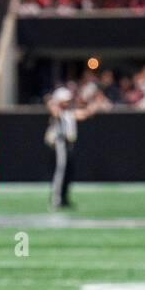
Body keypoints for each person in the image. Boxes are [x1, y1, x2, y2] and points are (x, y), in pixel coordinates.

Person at [45, 79, 93, 210]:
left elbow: (84, 114)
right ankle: (56, 199)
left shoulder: (69, 113)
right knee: (60, 171)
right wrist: (55, 101)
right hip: (60, 144)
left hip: (69, 145)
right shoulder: (58, 112)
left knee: (68, 172)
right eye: (65, 100)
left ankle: (64, 198)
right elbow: (53, 108)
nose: (68, 102)